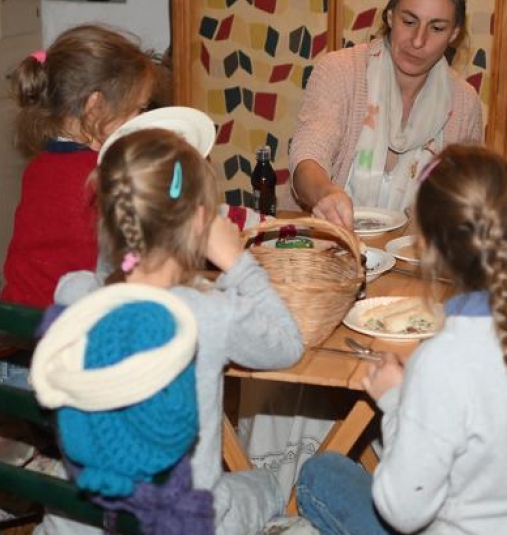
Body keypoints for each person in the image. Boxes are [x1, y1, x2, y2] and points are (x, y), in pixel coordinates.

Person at [294, 145, 507, 534]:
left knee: (320, 474)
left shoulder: (441, 360)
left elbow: (403, 510)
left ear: (431, 249)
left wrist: (397, 402)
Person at [35, 128, 306, 535]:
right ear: (200, 222)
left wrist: (121, 243)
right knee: (265, 485)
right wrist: (236, 261)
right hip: (179, 521)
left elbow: (106, 276)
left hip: (80, 519)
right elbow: (287, 345)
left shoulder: (73, 294)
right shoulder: (209, 313)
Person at [289, 0, 484, 229]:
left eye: (436, 28)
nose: (418, 40)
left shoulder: (464, 102)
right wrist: (326, 194)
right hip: (334, 251)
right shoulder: (341, 71)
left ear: (454, 34)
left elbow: (466, 199)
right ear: (391, 16)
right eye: (409, 21)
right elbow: (308, 157)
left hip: (414, 262)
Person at [0, 23, 166, 309]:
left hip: (16, 332)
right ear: (96, 107)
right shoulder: (105, 176)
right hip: (68, 334)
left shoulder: (39, 167)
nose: (142, 118)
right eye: (138, 109)